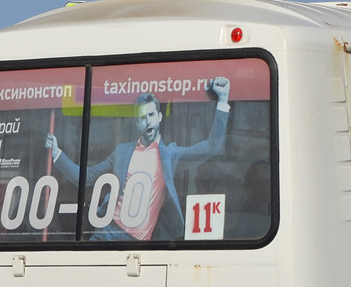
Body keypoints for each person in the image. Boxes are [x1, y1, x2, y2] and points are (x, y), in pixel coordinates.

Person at [46, 78, 231, 240]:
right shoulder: (122, 151)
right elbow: (85, 178)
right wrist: (57, 153)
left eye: (151, 115)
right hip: (106, 233)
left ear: (159, 117)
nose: (148, 121)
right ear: (137, 124)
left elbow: (212, 147)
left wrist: (222, 100)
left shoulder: (171, 155)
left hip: (137, 244)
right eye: (142, 117)